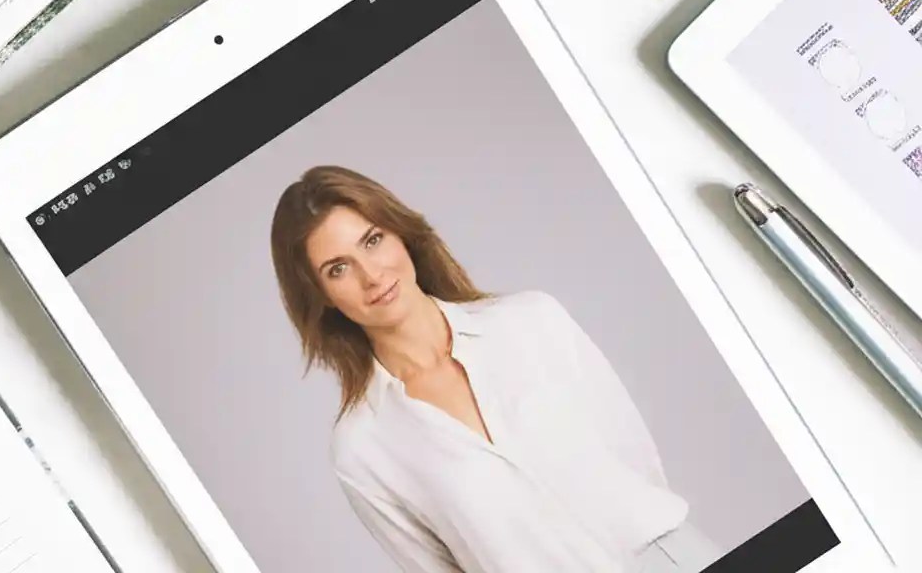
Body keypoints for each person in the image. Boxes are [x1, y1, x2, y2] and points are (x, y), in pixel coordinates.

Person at [269, 165, 720, 573]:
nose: (371, 274)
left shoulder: (531, 320)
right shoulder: (361, 446)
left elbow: (634, 457)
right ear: (322, 295)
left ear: (400, 233)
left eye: (372, 240)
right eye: (338, 268)